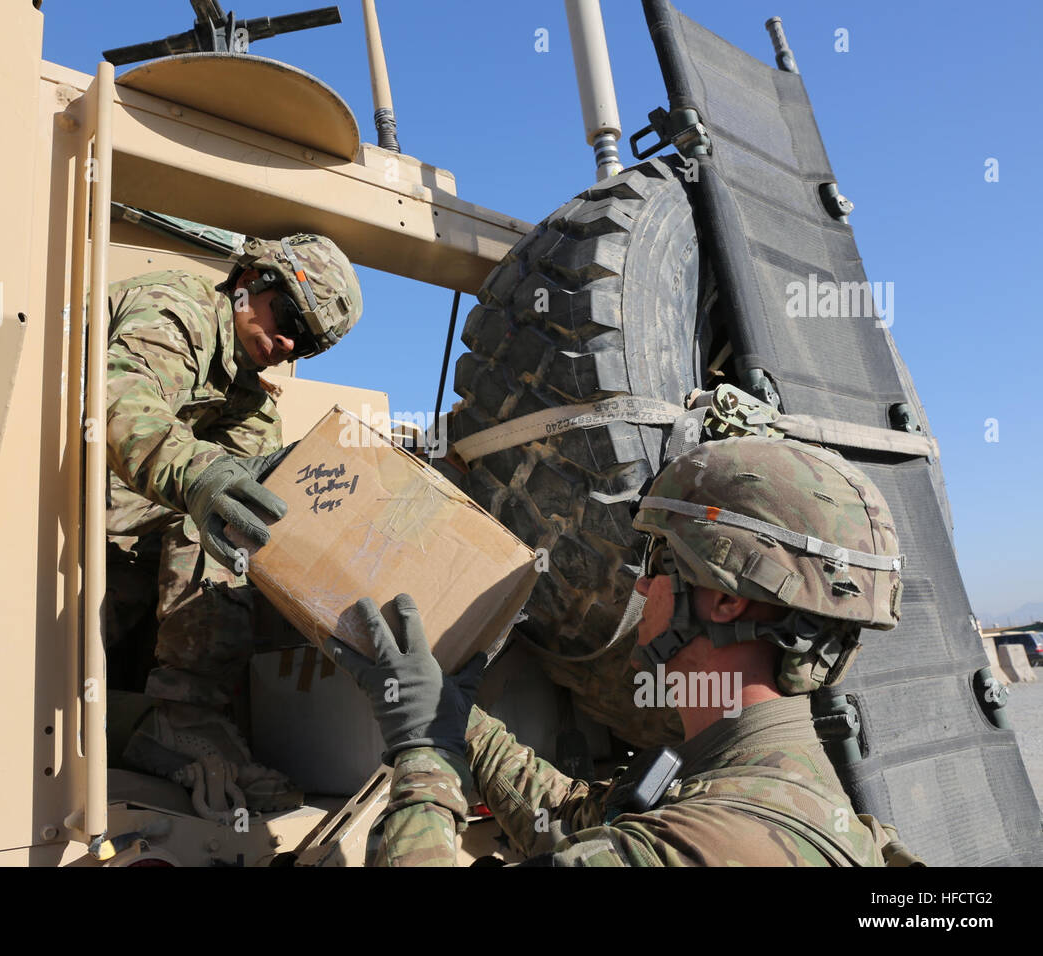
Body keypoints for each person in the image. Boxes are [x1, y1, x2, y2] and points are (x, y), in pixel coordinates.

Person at [328, 436, 921, 865]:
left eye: (660, 563)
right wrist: (457, 726)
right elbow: (578, 823)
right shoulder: (787, 795)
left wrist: (424, 754)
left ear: (724, 600)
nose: (642, 584)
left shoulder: (696, 844)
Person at [105, 233, 362, 820]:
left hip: (122, 541)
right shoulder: (178, 310)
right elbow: (121, 404)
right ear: (251, 283)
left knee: (246, 519)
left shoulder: (248, 399)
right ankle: (164, 723)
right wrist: (203, 479)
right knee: (222, 504)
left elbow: (270, 496)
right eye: (290, 317)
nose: (289, 343)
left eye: (309, 343)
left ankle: (187, 721)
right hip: (55, 513)